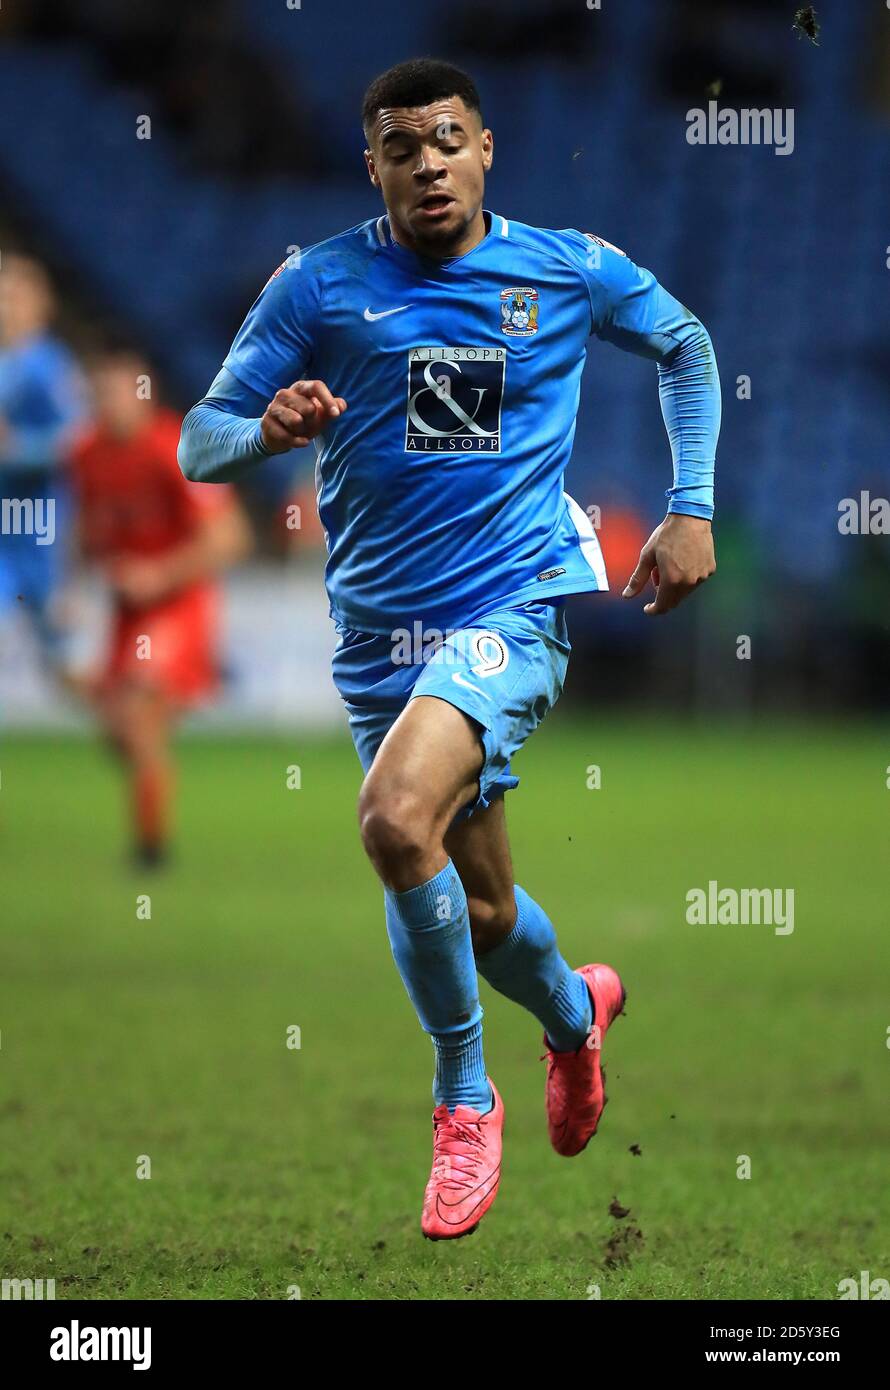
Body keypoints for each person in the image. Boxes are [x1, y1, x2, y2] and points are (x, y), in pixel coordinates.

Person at [178, 57, 720, 1239]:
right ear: (369, 165)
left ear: (486, 148)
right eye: (398, 147)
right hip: (379, 638)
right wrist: (260, 429)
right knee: (475, 908)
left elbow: (684, 344)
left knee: (389, 821)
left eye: (446, 139)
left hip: (512, 610)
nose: (426, 163)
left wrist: (691, 505)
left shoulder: (563, 267)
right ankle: (575, 1013)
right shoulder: (317, 285)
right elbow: (196, 439)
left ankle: (461, 1099)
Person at [69, 348, 250, 866]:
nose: (109, 404)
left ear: (143, 394)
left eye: (119, 393)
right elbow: (87, 528)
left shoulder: (172, 448)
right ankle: (152, 790)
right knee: (117, 729)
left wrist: (158, 575)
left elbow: (230, 538)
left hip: (177, 602)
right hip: (125, 608)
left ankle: (150, 853)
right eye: (99, 394)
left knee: (139, 710)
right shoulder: (84, 453)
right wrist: (72, 590)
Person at [0, 254, 86, 668]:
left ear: (41, 302)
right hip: (3, 529)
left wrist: (18, 448)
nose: (5, 303)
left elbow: (78, 440)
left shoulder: (50, 365)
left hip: (41, 527)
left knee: (63, 663)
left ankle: (121, 723)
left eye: (15, 294)